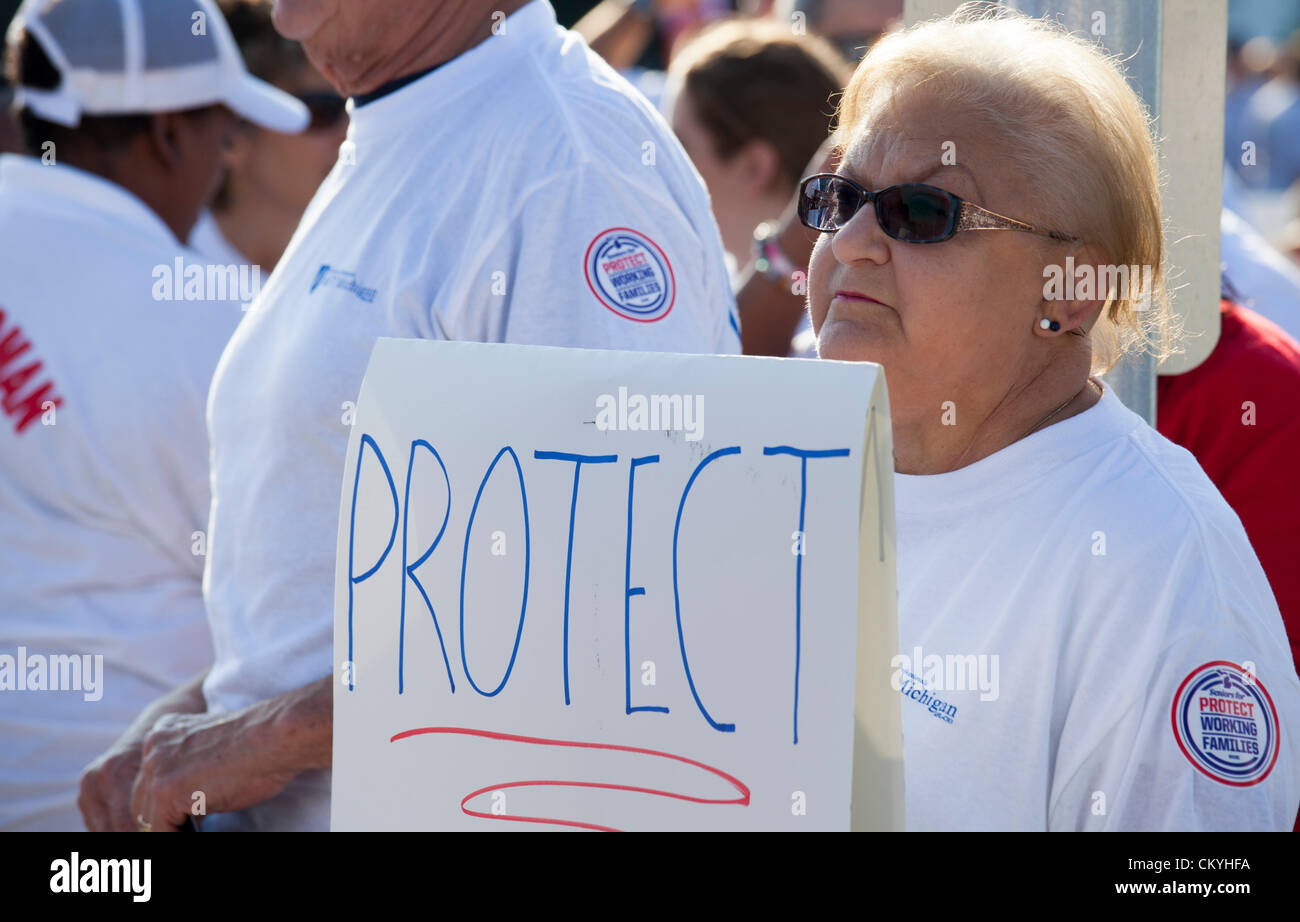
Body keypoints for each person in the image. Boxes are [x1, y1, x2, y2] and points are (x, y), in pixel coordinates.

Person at [81, 0, 739, 833]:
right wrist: (192, 723)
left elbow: (610, 615)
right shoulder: (428, 119)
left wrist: (258, 737)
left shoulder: (567, 165)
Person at [801, 3, 1300, 829]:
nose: (852, 239)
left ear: (1070, 290)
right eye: (840, 195)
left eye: (923, 211)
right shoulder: (777, 464)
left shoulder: (1159, 568)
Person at [0, 0, 307, 830]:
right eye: (222, 132)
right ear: (171, 134)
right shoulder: (212, 332)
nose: (223, 163)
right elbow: (307, 621)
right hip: (108, 828)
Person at [667, 18, 847, 280]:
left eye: (679, 150)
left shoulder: (824, 318)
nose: (661, 167)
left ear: (754, 168)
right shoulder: (703, 289)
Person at [190, 0, 348, 271]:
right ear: (231, 138)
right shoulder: (159, 267)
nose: (349, 133)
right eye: (322, 112)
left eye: (355, 108)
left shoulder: (368, 266)